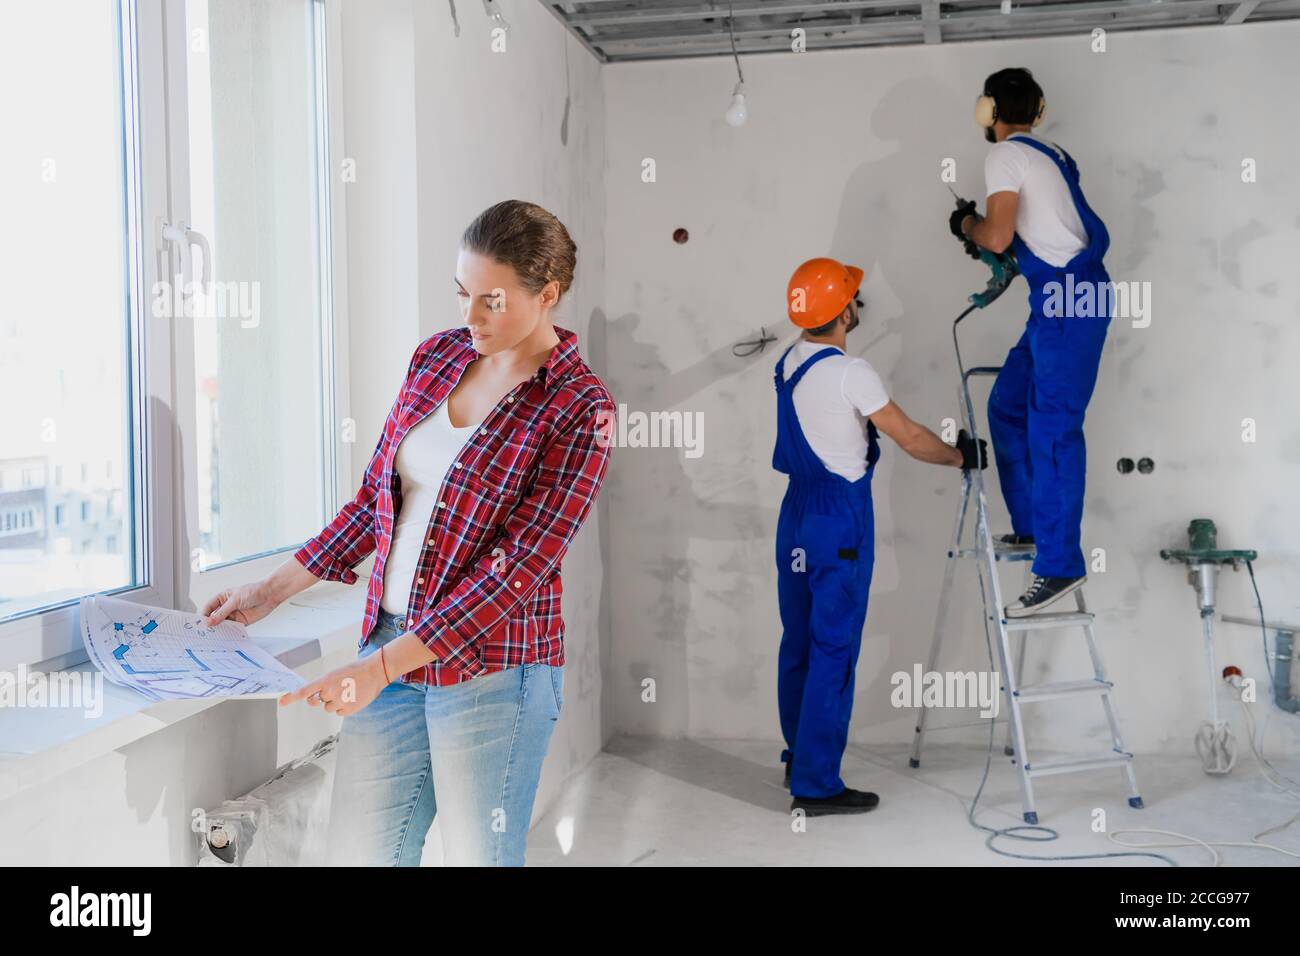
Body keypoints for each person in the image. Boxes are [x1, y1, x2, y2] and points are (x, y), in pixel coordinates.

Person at [202, 199, 615, 865]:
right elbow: (375, 501)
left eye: (493, 301)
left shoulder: (579, 407)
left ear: (549, 295)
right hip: (388, 648)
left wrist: (380, 669)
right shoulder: (437, 358)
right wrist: (272, 590)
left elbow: (516, 570)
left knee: (480, 855)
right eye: (462, 294)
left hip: (494, 670)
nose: (471, 318)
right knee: (364, 855)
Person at [775, 256, 986, 815]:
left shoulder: (789, 361)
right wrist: (962, 454)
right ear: (843, 311)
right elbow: (913, 439)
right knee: (832, 650)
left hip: (795, 516)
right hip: (837, 521)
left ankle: (800, 757)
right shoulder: (851, 372)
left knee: (798, 642)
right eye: (852, 298)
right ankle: (817, 787)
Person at [954, 67, 1113, 618]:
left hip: (1070, 301)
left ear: (987, 111)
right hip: (1061, 299)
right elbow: (1042, 235)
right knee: (1008, 407)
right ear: (1038, 111)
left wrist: (969, 224)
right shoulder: (1053, 154)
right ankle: (1031, 531)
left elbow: (998, 235)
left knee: (1053, 428)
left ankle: (1062, 562)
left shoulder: (1004, 156)